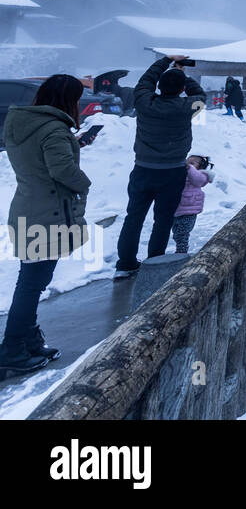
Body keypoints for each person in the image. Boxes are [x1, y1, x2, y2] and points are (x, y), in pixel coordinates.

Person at [0, 75, 93, 377]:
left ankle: (28, 342)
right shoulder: (54, 128)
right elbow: (61, 170)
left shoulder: (23, 122)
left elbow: (38, 158)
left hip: (28, 208)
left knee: (31, 281)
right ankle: (13, 349)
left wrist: (71, 144)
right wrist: (84, 182)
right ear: (68, 100)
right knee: (31, 284)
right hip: (47, 213)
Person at [115, 55, 205, 278]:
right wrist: (184, 75)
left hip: (143, 169)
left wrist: (165, 61)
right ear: (182, 89)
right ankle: (154, 262)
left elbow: (145, 81)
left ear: (159, 86)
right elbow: (199, 95)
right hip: (173, 172)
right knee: (163, 219)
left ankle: (125, 264)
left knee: (133, 217)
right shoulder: (188, 106)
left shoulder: (145, 102)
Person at [171, 155, 211, 254]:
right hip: (177, 210)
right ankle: (180, 249)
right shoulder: (182, 173)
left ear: (200, 167)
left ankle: (181, 252)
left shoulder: (201, 175)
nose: (188, 164)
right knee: (176, 233)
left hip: (189, 211)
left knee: (182, 233)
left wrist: (190, 168)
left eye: (192, 163)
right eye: (187, 162)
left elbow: (198, 180)